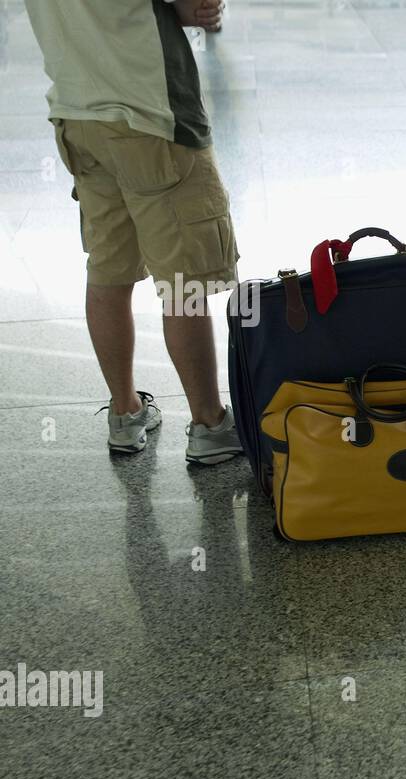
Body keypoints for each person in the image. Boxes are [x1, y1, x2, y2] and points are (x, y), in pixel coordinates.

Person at [24, 0, 242, 464]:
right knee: (185, 283)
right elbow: (196, 8)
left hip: (77, 115)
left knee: (108, 270)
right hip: (150, 114)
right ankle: (209, 424)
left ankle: (124, 413)